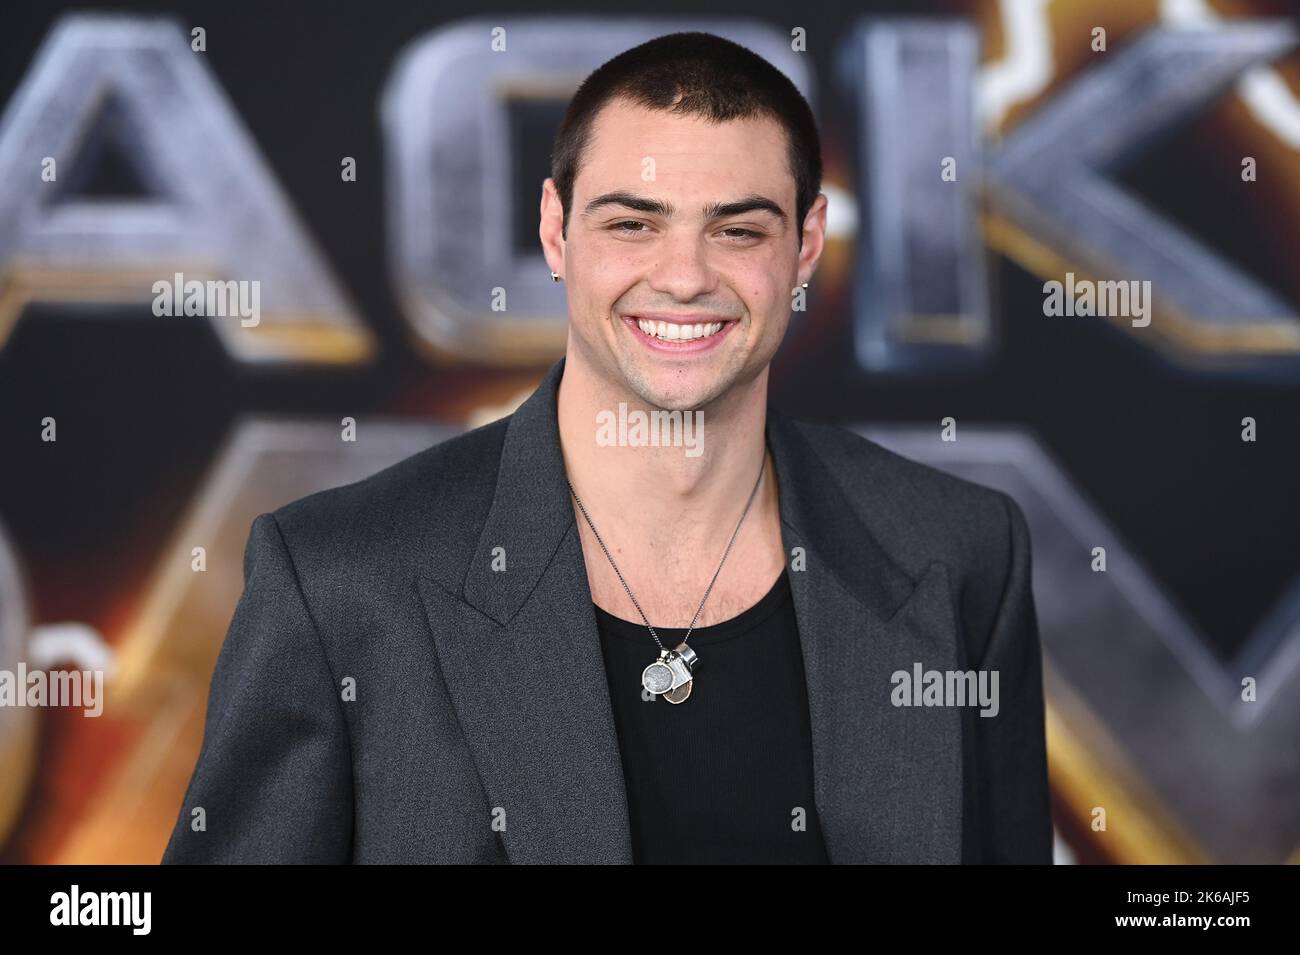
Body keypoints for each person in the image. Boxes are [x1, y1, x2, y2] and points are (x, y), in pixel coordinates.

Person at [163, 31, 1051, 864]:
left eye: (738, 229)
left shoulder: (961, 551)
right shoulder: (340, 579)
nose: (684, 276)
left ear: (807, 245)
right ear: (556, 231)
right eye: (633, 223)